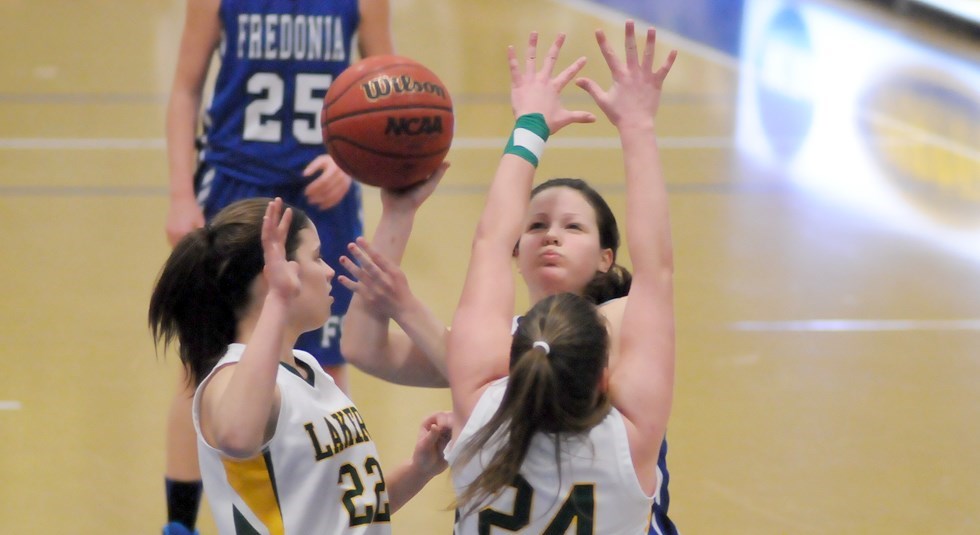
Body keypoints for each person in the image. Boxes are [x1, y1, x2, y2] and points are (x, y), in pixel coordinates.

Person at [338, 24, 679, 535]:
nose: (551, 236)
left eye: (573, 226)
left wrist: (529, 126)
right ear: (517, 251)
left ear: (608, 257)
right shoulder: (627, 396)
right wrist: (638, 127)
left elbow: (488, 246)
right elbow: (657, 272)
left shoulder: (487, 395)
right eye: (537, 224)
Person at [161, 0, 393, 532]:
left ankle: (330, 508)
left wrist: (348, 158)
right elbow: (185, 89)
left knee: (326, 360)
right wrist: (179, 191)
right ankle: (178, 524)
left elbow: (386, 89)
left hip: (323, 196)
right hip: (236, 181)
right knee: (205, 362)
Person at [149, 197, 451, 534]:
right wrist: (279, 299)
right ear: (274, 275)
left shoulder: (308, 367)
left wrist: (418, 469)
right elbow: (237, 436)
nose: (329, 271)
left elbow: (347, 513)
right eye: (317, 257)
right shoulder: (228, 377)